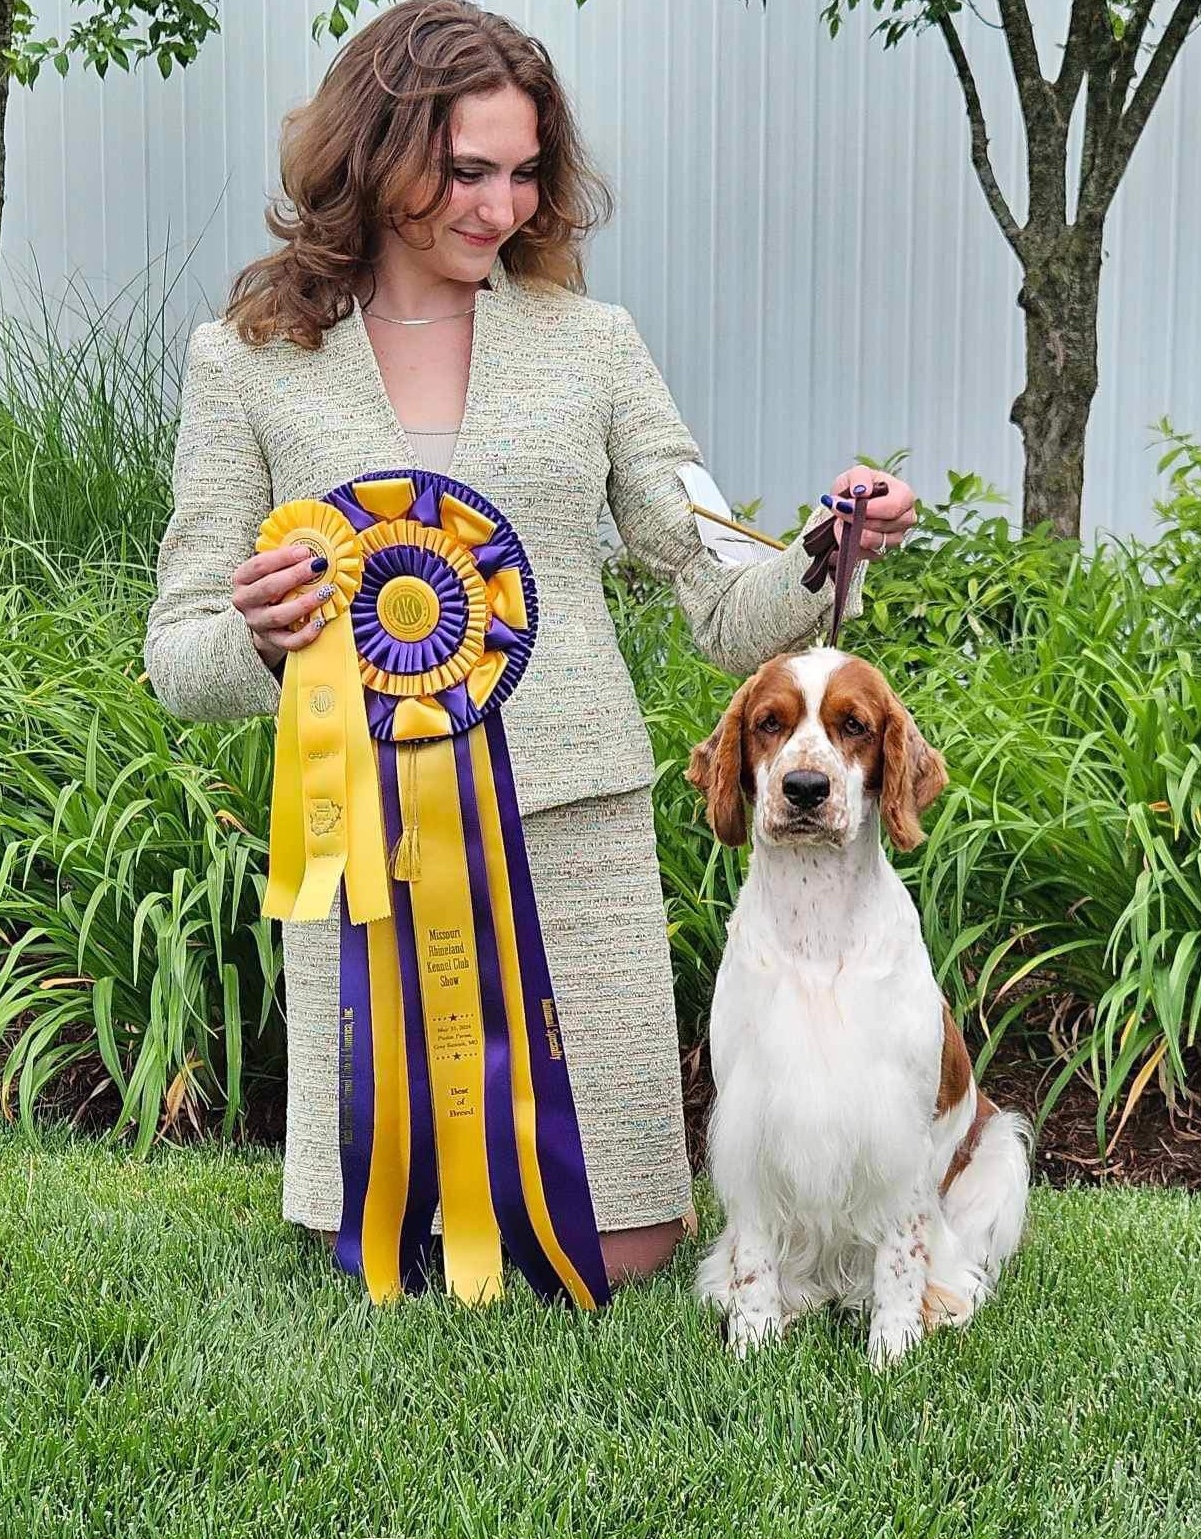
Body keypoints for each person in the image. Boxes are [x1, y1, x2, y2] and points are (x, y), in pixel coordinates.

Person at [144, 0, 917, 1287]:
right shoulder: (245, 364)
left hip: (577, 831)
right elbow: (178, 652)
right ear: (370, 152)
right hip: (368, 849)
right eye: (463, 171)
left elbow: (718, 588)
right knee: (390, 1248)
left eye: (522, 173)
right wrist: (267, 640)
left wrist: (825, 548)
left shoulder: (593, 347)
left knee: (619, 1252)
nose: (499, 206)